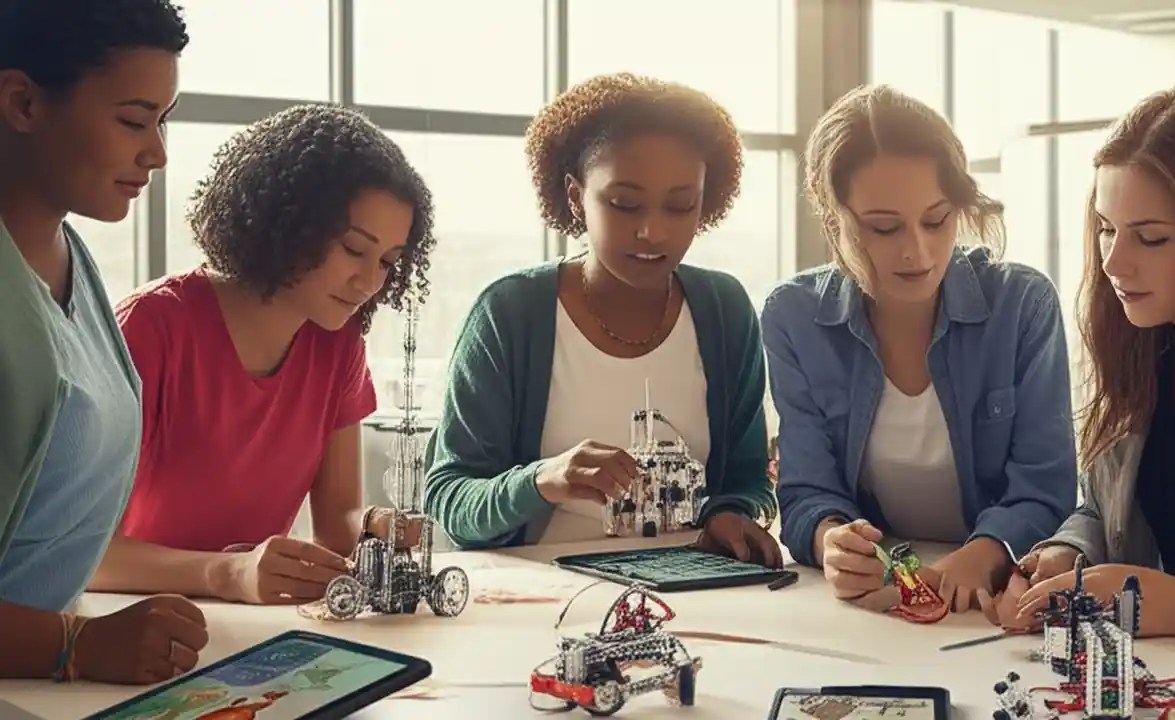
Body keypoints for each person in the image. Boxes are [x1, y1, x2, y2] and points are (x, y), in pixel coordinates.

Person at [86, 104, 437, 606]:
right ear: (290, 221)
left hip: (255, 628)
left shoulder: (337, 343)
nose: (370, 282)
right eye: (354, 249)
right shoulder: (150, 327)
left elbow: (337, 523)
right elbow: (84, 552)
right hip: (131, 623)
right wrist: (227, 573)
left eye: (387, 262)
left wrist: (374, 525)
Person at [424, 73, 780, 564]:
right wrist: (542, 481)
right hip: (542, 602)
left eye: (681, 206)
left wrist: (729, 513)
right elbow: (449, 501)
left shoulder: (725, 310)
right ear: (575, 197)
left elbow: (750, 484)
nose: (653, 231)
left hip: (696, 595)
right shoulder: (510, 314)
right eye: (624, 204)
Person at [762, 85, 1077, 611]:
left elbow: (1047, 487)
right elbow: (804, 491)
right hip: (879, 602)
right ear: (832, 215)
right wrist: (831, 540)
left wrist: (987, 549)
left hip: (993, 597)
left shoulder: (1022, 304)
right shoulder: (793, 316)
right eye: (883, 228)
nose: (918, 251)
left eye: (937, 219)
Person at [985, 86, 1175, 646]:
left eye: (1150, 237)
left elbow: (1156, 594)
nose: (1114, 261)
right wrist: (1069, 551)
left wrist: (1170, 604)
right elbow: (1106, 509)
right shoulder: (1143, 355)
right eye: (1105, 228)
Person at [0, 0, 209, 684]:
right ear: (23, 102)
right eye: (132, 119)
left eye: (162, 120)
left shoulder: (72, 258)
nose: (156, 152)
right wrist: (74, 645)